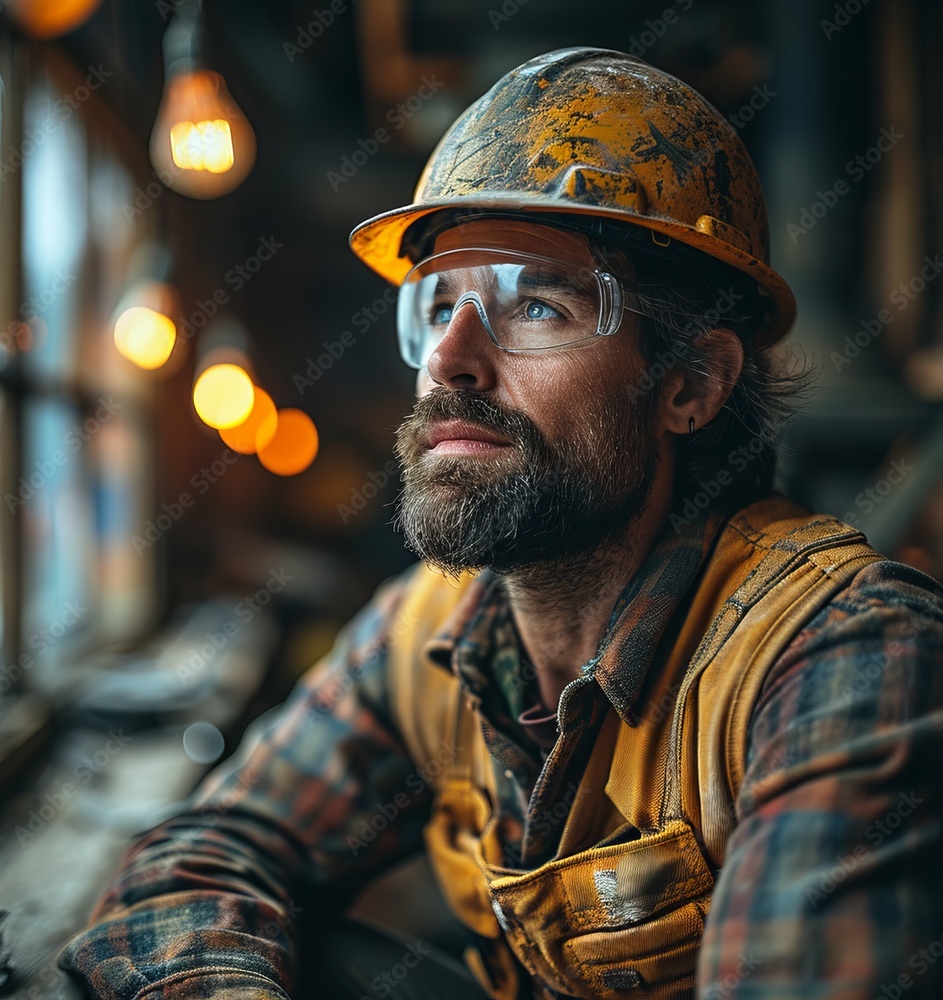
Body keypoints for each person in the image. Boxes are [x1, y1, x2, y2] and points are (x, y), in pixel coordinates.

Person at [58, 48, 943, 1000]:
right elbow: (207, 850)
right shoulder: (431, 629)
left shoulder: (841, 654)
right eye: (438, 304)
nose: (451, 360)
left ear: (690, 383)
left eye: (538, 306)